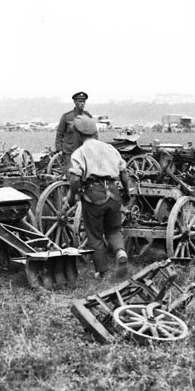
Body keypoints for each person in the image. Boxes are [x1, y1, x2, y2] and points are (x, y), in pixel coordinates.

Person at [66, 115, 131, 279]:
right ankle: (121, 252)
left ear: (79, 134)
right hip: (113, 191)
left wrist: (72, 196)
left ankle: (102, 272)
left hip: (93, 195)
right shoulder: (110, 148)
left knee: (94, 235)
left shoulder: (79, 153)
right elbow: (124, 174)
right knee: (114, 230)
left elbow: (74, 179)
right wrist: (126, 193)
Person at [55, 91, 94, 174]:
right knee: (71, 174)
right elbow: (59, 133)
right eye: (80, 101)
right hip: (70, 151)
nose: (82, 103)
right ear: (75, 102)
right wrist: (59, 149)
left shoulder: (88, 116)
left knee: (85, 174)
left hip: (84, 151)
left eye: (83, 101)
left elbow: (94, 133)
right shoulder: (67, 116)